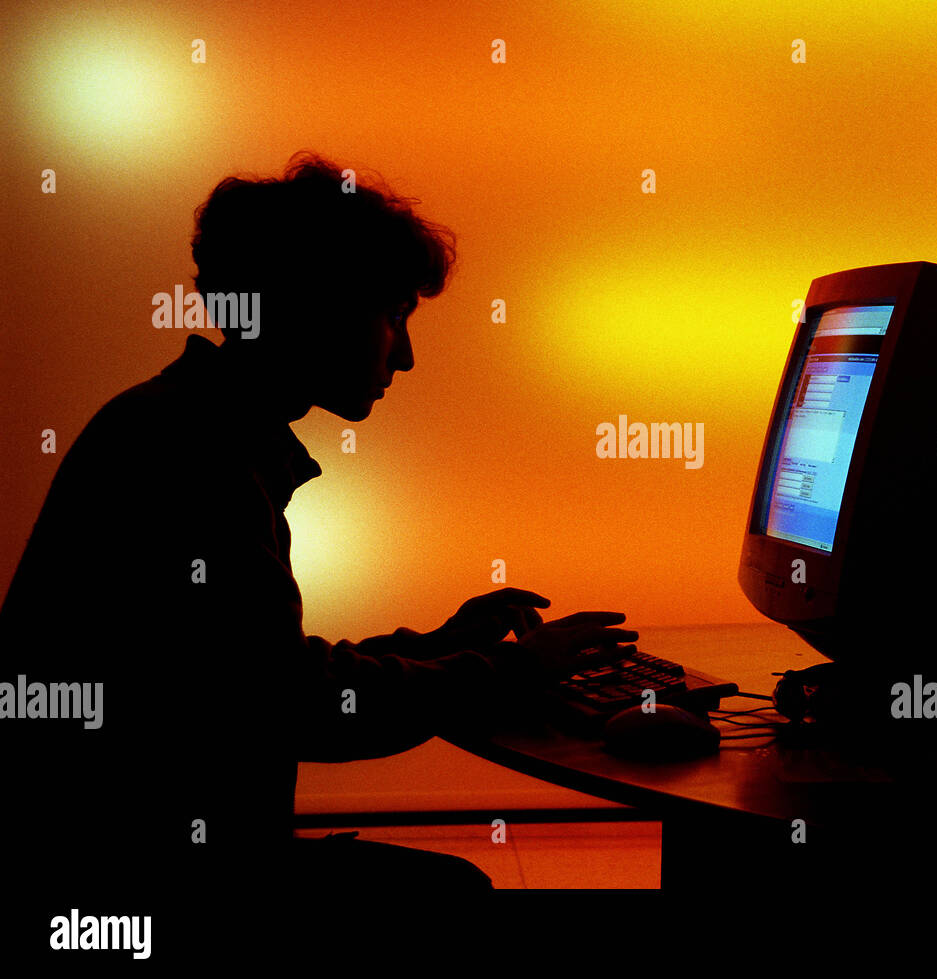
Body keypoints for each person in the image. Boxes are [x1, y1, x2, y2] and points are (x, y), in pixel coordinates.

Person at [0, 153, 635, 917]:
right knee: (453, 901)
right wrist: (513, 669)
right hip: (130, 886)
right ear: (314, 305)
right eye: (394, 313)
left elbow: (245, 668)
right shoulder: (197, 456)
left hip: (124, 853)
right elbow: (297, 706)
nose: (404, 353)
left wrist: (439, 645)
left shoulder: (179, 424)